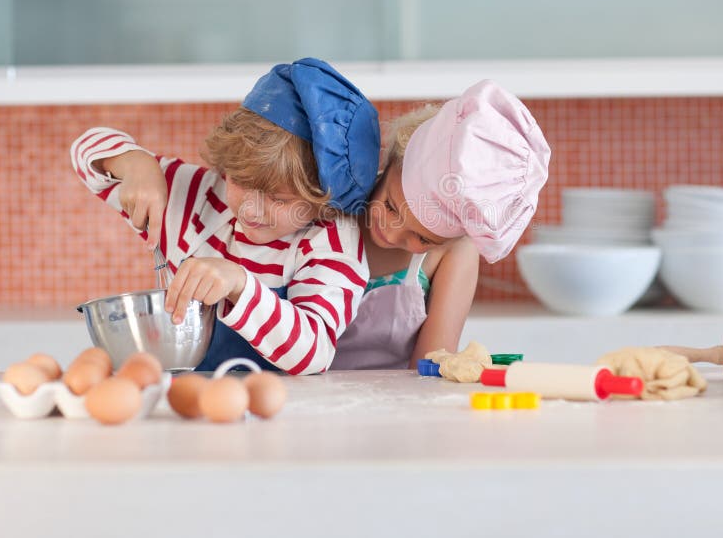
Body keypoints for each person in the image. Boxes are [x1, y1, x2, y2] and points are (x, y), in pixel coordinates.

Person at [71, 58, 380, 375]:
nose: (251, 210)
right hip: (191, 400)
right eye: (240, 181)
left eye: (279, 199)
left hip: (286, 404)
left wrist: (239, 285)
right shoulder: (197, 197)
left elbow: (313, 352)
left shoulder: (330, 239)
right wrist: (135, 165)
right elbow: (84, 151)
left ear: (322, 201)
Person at [330, 80, 551, 370]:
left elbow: (430, 368)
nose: (392, 233)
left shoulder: (457, 252)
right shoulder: (332, 208)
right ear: (391, 159)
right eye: (390, 206)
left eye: (423, 239)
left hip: (399, 397)